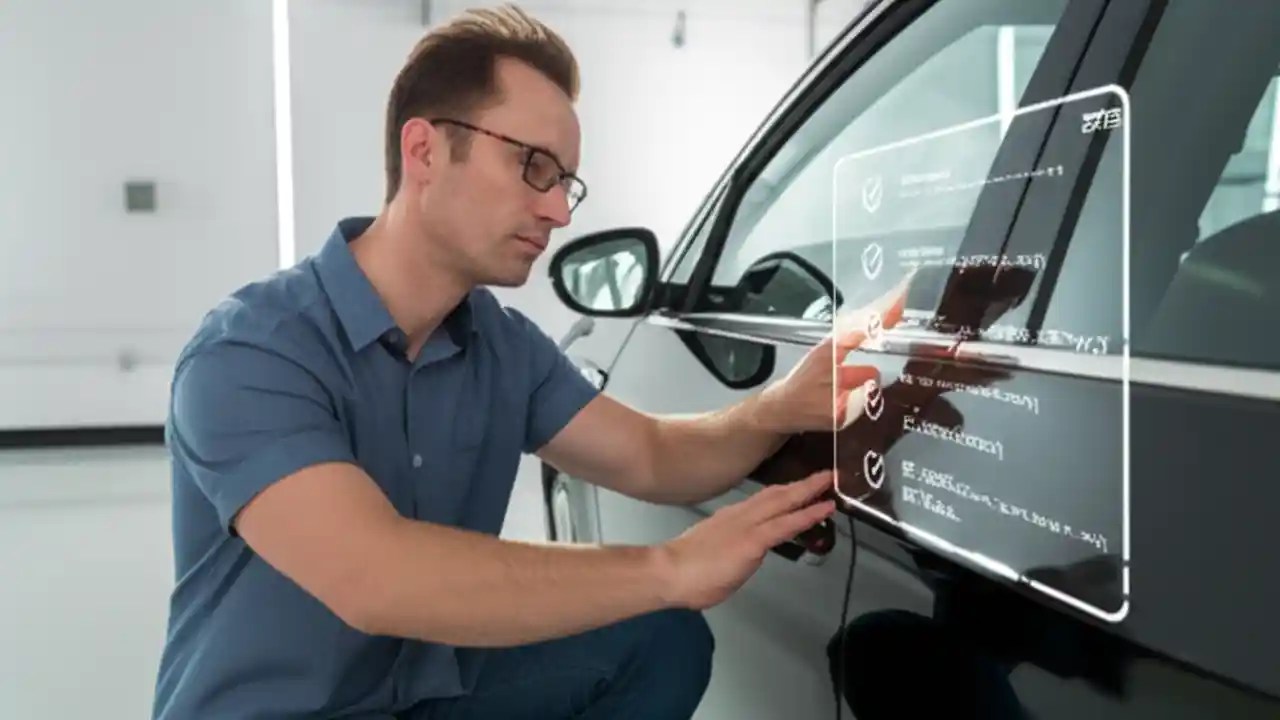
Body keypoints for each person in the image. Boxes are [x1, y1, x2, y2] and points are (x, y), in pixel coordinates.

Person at [151, 5, 889, 719]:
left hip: (416, 695)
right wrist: (670, 568)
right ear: (425, 151)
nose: (560, 212)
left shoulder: (499, 346)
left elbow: (653, 454)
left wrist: (779, 407)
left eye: (565, 181)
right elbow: (374, 576)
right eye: (533, 166)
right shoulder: (251, 351)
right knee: (660, 604)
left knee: (658, 644)